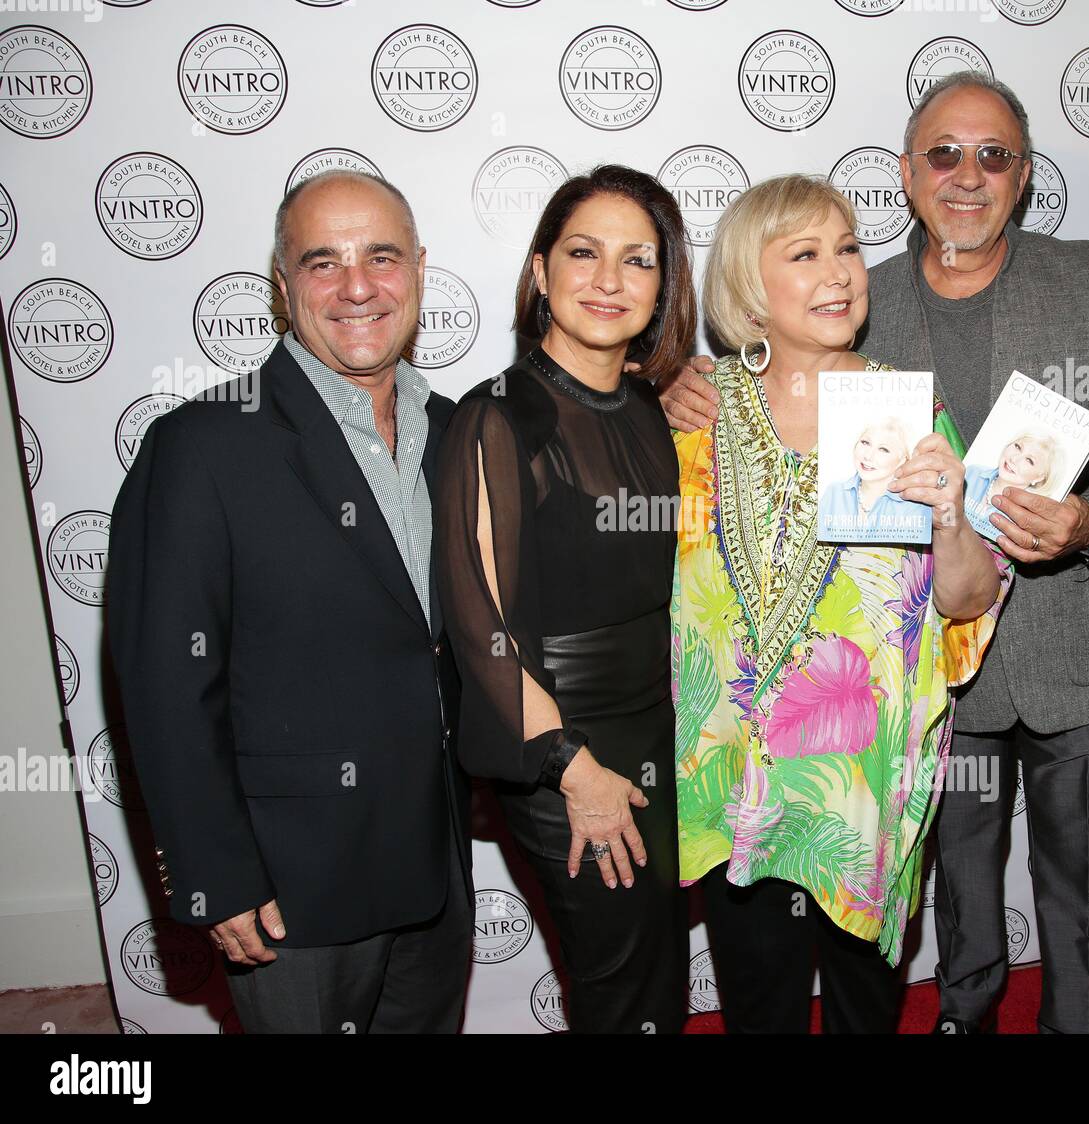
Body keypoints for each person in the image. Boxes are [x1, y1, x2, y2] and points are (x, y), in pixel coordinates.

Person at [659, 73, 1089, 1035]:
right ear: (907, 175)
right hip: (927, 690)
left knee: (1078, 909)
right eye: (943, 154)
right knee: (952, 920)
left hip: (1075, 650)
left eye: (994, 155)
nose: (967, 175)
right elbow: (769, 369)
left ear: (1025, 176)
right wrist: (683, 386)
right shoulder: (864, 305)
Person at [107, 170, 472, 1034]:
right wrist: (214, 870)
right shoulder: (202, 445)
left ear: (418, 269)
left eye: (381, 257)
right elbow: (162, 685)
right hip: (288, 886)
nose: (356, 287)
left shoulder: (454, 432)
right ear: (282, 285)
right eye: (322, 262)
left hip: (436, 861)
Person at [673, 174, 1010, 1034]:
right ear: (751, 281)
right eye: (806, 253)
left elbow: (969, 601)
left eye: (850, 249)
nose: (840, 272)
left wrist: (948, 514)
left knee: (864, 1007)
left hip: (860, 778)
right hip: (735, 776)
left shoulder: (908, 407)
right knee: (759, 1003)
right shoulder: (696, 413)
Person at [432, 165, 696, 1033]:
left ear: (664, 288)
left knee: (652, 968)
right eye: (584, 253)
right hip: (559, 744)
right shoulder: (497, 418)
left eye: (638, 260)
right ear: (541, 271)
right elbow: (484, 631)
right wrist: (575, 771)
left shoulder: (655, 410)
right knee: (618, 978)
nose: (610, 280)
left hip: (652, 725)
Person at [818, 417, 918, 533]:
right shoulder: (834, 492)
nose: (868, 456)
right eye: (865, 443)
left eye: (883, 449)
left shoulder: (912, 505)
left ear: (902, 460)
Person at [965, 433, 1057, 523]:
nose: (1014, 459)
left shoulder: (1028, 516)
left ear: (1039, 478)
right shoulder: (972, 471)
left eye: (1029, 460)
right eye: (1018, 447)